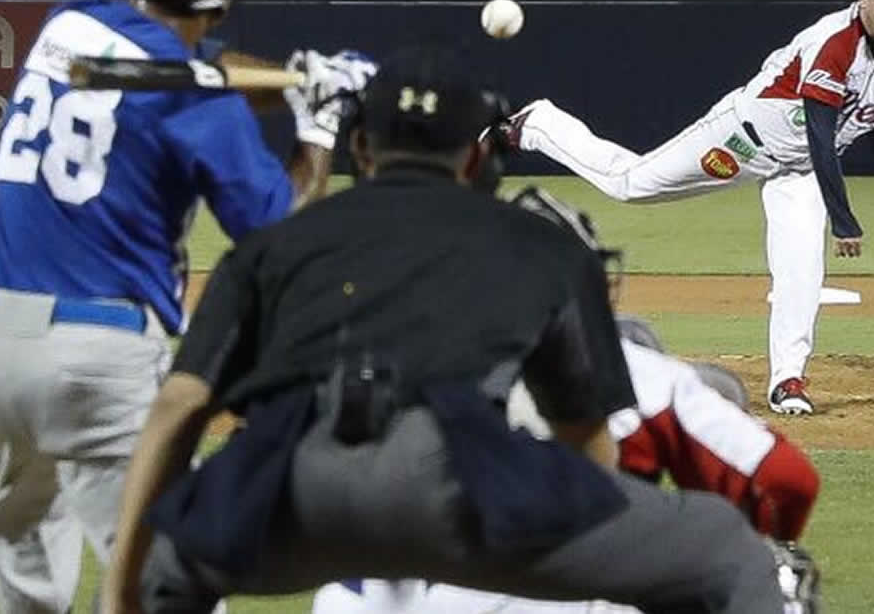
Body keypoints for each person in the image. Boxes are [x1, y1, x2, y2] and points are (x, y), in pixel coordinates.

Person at [99, 47, 801, 614]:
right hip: (467, 489)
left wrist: (126, 585)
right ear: (475, 157)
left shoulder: (273, 244)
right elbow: (585, 444)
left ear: (364, 151)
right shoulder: (540, 243)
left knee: (167, 578)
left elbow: (180, 407)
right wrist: (578, 549)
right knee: (728, 555)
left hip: (292, 492)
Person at [0, 0, 369, 614]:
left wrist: (293, 79)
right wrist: (317, 124)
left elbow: (181, 67)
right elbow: (277, 229)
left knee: (27, 524)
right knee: (170, 567)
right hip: (92, 360)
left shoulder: (68, 29)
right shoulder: (203, 108)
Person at [495, 0, 874, 416]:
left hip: (801, 169)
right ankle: (540, 124)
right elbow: (819, 132)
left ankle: (788, 380)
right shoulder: (833, 43)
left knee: (801, 269)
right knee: (632, 184)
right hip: (740, 140)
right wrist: (844, 219)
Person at [312, 186, 823, 614]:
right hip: (577, 590)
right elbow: (786, 480)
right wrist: (744, 549)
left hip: (416, 592)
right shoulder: (638, 371)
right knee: (768, 577)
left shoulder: (394, 364)